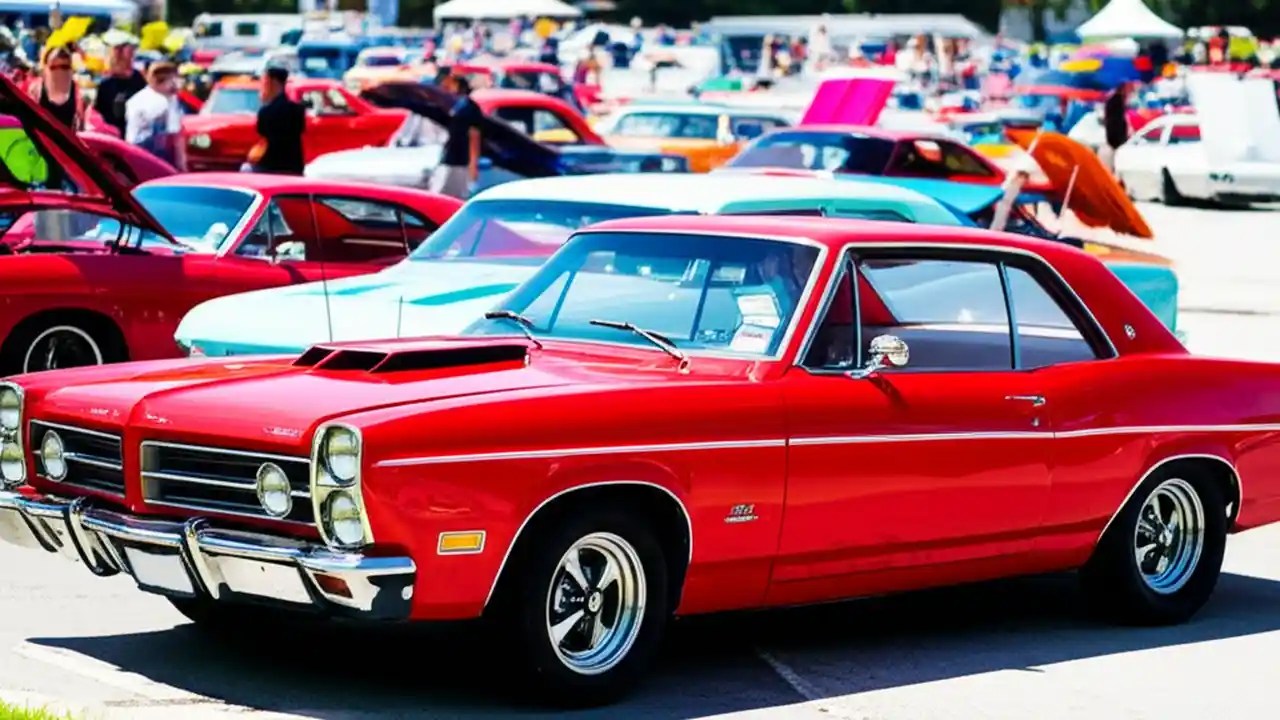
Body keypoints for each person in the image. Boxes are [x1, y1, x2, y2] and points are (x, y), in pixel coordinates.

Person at [430, 71, 482, 199]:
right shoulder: (456, 105)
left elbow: (474, 136)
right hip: (449, 158)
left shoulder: (470, 108)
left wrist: (473, 164)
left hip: (459, 162)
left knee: (448, 197)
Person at [125, 61, 184, 170]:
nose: (176, 85)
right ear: (157, 80)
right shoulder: (160, 101)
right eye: (172, 80)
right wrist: (181, 164)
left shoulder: (168, 98)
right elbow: (173, 135)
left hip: (136, 153)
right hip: (154, 156)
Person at [247, 65, 305, 174]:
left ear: (272, 83)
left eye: (264, 82)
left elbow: (262, 136)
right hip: (293, 166)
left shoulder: (266, 112)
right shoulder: (297, 110)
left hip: (270, 167)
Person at [93, 30, 145, 138]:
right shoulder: (106, 84)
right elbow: (100, 114)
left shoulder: (139, 79)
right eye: (115, 51)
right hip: (114, 138)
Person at [28, 45, 85, 131]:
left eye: (64, 67)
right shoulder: (36, 89)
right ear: (46, 68)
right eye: (54, 67)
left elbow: (81, 126)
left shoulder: (77, 92)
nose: (59, 72)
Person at [1100, 82, 1130, 174]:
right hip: (1117, 136)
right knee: (1116, 160)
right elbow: (1118, 120)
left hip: (1112, 136)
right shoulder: (1118, 101)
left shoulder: (1112, 100)